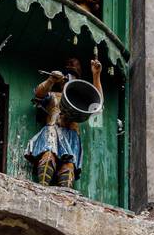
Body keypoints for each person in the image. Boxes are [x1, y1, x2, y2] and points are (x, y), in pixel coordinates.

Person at [24, 57, 103, 188]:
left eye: (74, 78)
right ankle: (42, 186)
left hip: (71, 134)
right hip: (53, 129)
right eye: (68, 76)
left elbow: (97, 103)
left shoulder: (81, 101)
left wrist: (96, 75)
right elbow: (38, 94)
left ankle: (65, 191)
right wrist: (51, 79)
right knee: (48, 156)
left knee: (69, 166)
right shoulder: (53, 95)